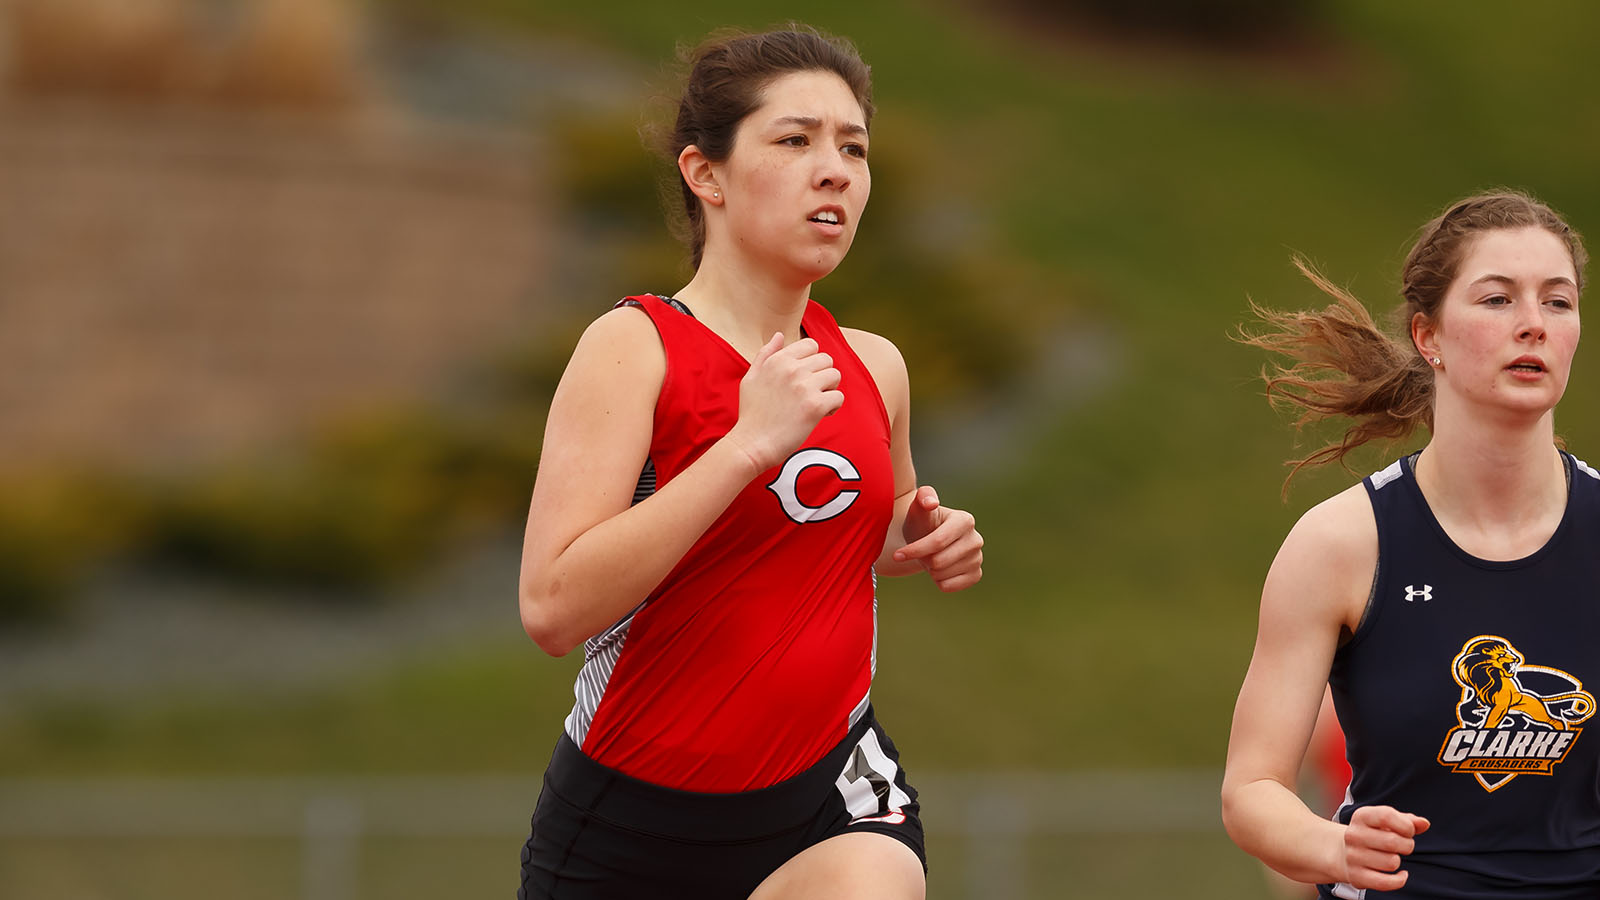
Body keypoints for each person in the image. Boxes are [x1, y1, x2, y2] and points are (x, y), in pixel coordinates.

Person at [515, 25, 983, 900]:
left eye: (853, 147)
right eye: (795, 140)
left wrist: (927, 536)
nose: (836, 169)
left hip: (830, 795)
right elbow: (551, 608)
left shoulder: (875, 366)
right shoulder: (635, 348)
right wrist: (744, 447)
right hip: (632, 820)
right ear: (707, 174)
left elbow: (866, 536)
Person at [1222, 190, 1599, 898]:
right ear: (1429, 337)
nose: (1533, 325)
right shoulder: (1341, 544)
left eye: (1558, 301)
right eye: (1497, 300)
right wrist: (1333, 847)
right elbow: (1252, 789)